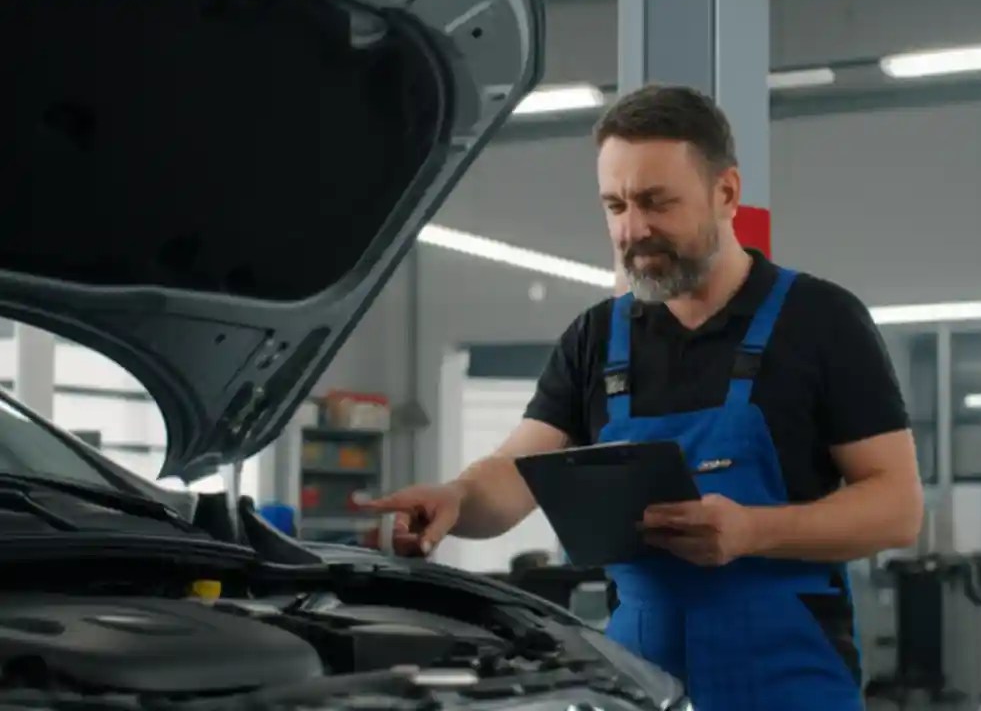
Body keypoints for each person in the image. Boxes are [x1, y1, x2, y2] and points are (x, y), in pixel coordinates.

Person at [361, 84, 924, 710]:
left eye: (657, 202)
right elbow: (515, 473)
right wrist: (457, 499)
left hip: (788, 681)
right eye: (616, 205)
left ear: (726, 192)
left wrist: (752, 531)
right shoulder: (596, 339)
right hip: (636, 682)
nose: (633, 230)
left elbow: (896, 508)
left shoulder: (821, 321)